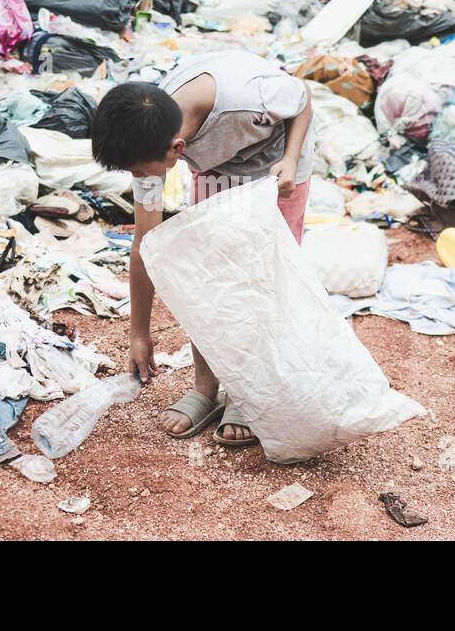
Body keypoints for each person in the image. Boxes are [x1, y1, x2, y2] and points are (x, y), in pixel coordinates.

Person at [90, 50, 315, 447]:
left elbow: (302, 97)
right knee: (210, 272)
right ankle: (206, 389)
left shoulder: (246, 101)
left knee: (262, 277)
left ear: (177, 150)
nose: (139, 179)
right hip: (218, 166)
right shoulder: (148, 134)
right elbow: (146, 242)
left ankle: (248, 394)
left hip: (276, 167)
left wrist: (292, 159)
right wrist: (138, 333)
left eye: (140, 172)